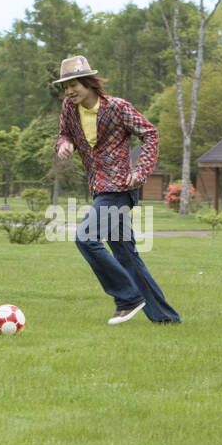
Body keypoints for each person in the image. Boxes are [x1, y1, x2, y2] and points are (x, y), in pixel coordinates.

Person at [54, 56, 181, 325]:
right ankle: (166, 318)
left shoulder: (118, 108)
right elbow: (65, 133)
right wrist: (64, 144)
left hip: (120, 188)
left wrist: (141, 172)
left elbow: (150, 134)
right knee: (127, 256)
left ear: (88, 82)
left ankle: (128, 298)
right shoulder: (70, 108)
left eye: (73, 84)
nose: (69, 91)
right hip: (99, 189)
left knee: (85, 238)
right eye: (65, 87)